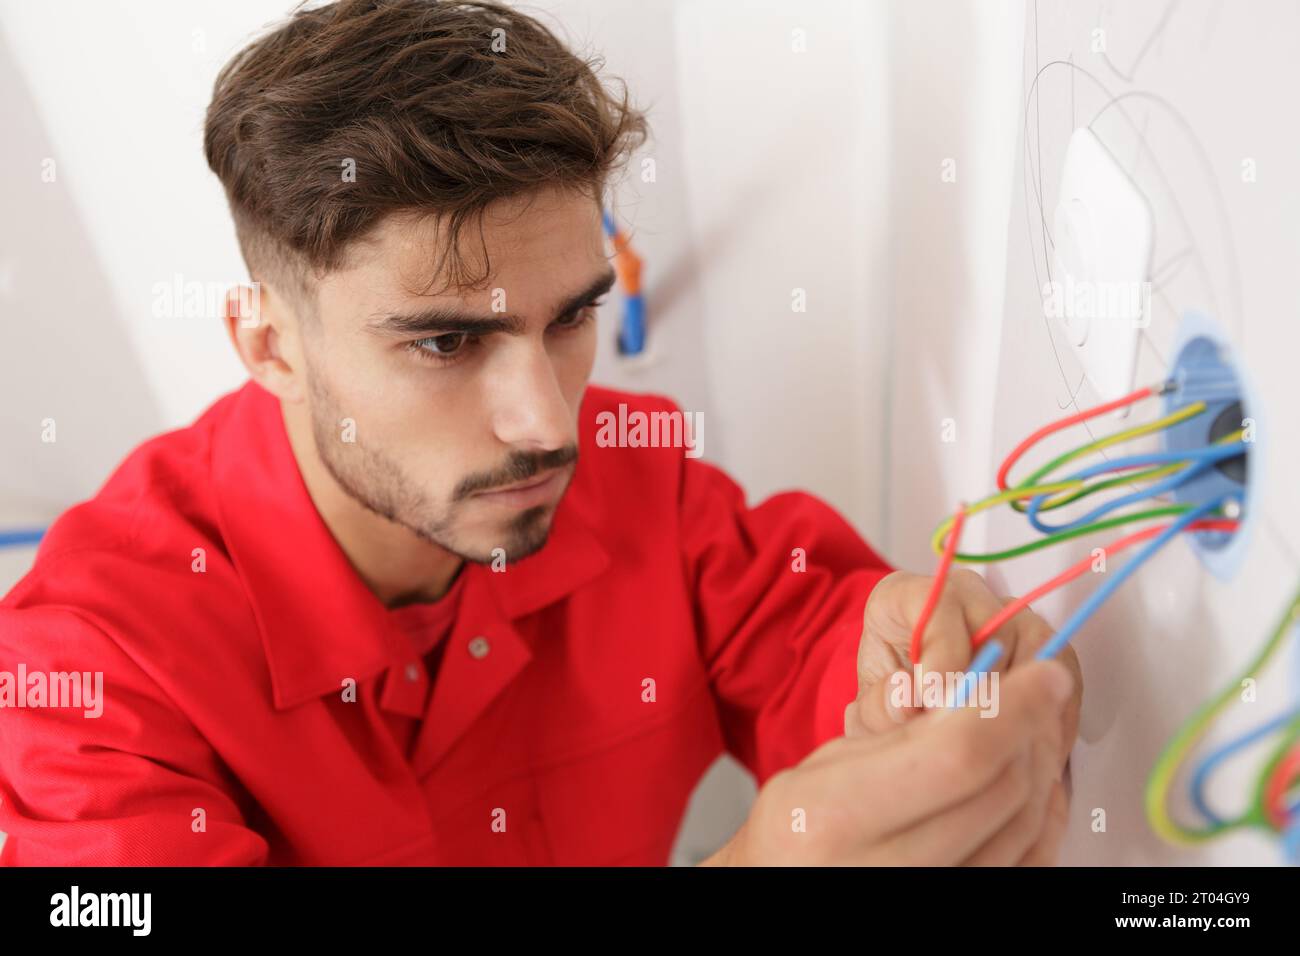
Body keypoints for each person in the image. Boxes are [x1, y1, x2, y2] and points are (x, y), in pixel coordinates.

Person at [0, 0, 1080, 866]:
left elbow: (811, 635)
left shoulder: (630, 479)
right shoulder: (85, 672)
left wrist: (908, 666)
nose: (548, 422)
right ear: (271, 345)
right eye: (445, 343)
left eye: (569, 318)